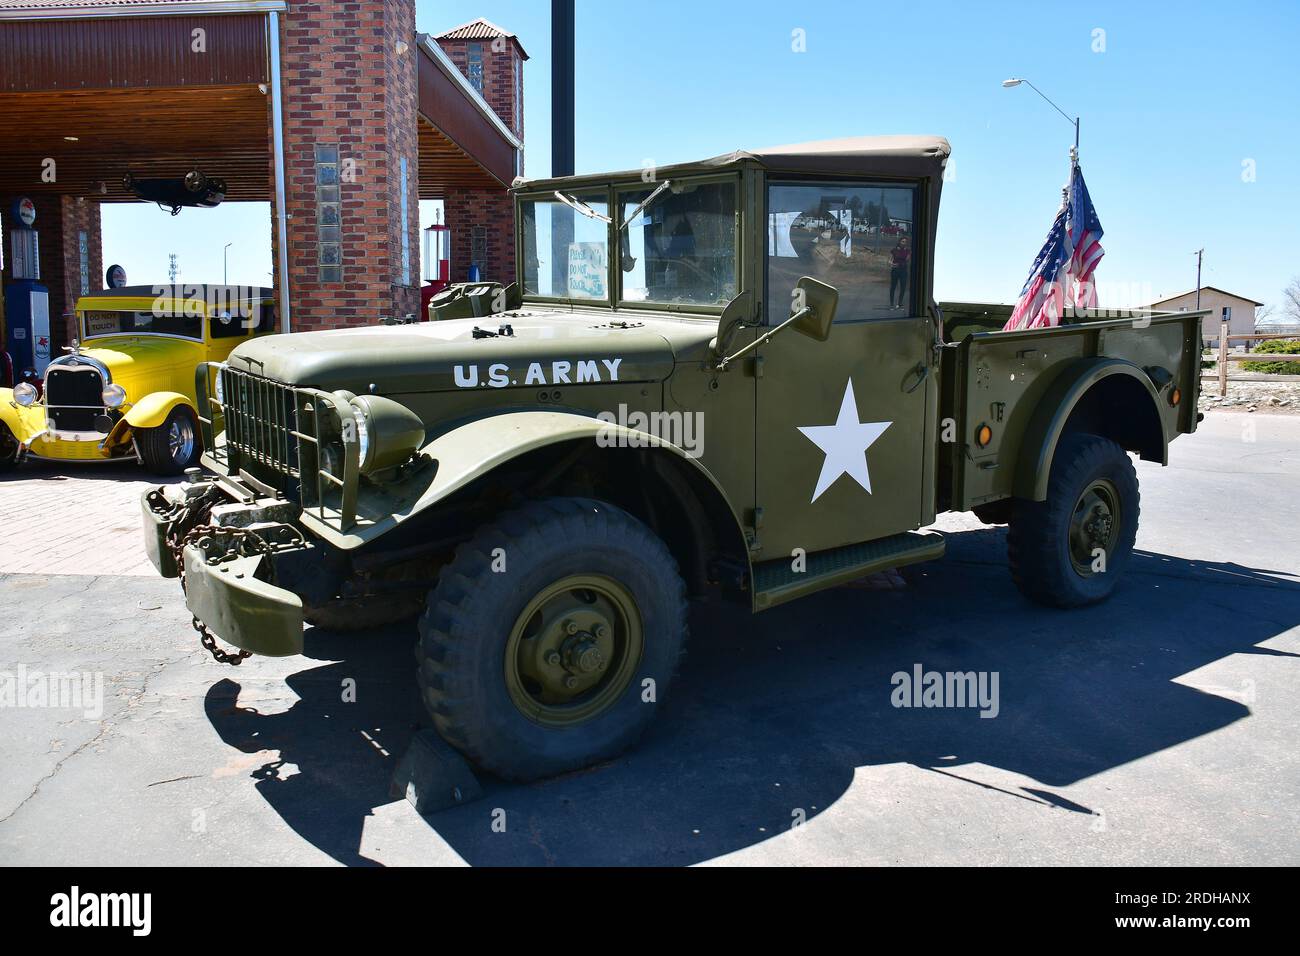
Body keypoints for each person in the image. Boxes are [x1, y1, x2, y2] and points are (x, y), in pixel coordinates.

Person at [888, 237, 911, 309]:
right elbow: (889, 261)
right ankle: (891, 303)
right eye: (902, 241)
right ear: (899, 242)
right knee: (893, 287)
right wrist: (892, 264)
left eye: (905, 242)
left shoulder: (908, 251)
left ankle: (899, 303)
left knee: (903, 287)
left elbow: (907, 259)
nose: (903, 243)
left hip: (903, 270)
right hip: (895, 270)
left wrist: (906, 254)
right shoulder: (894, 250)